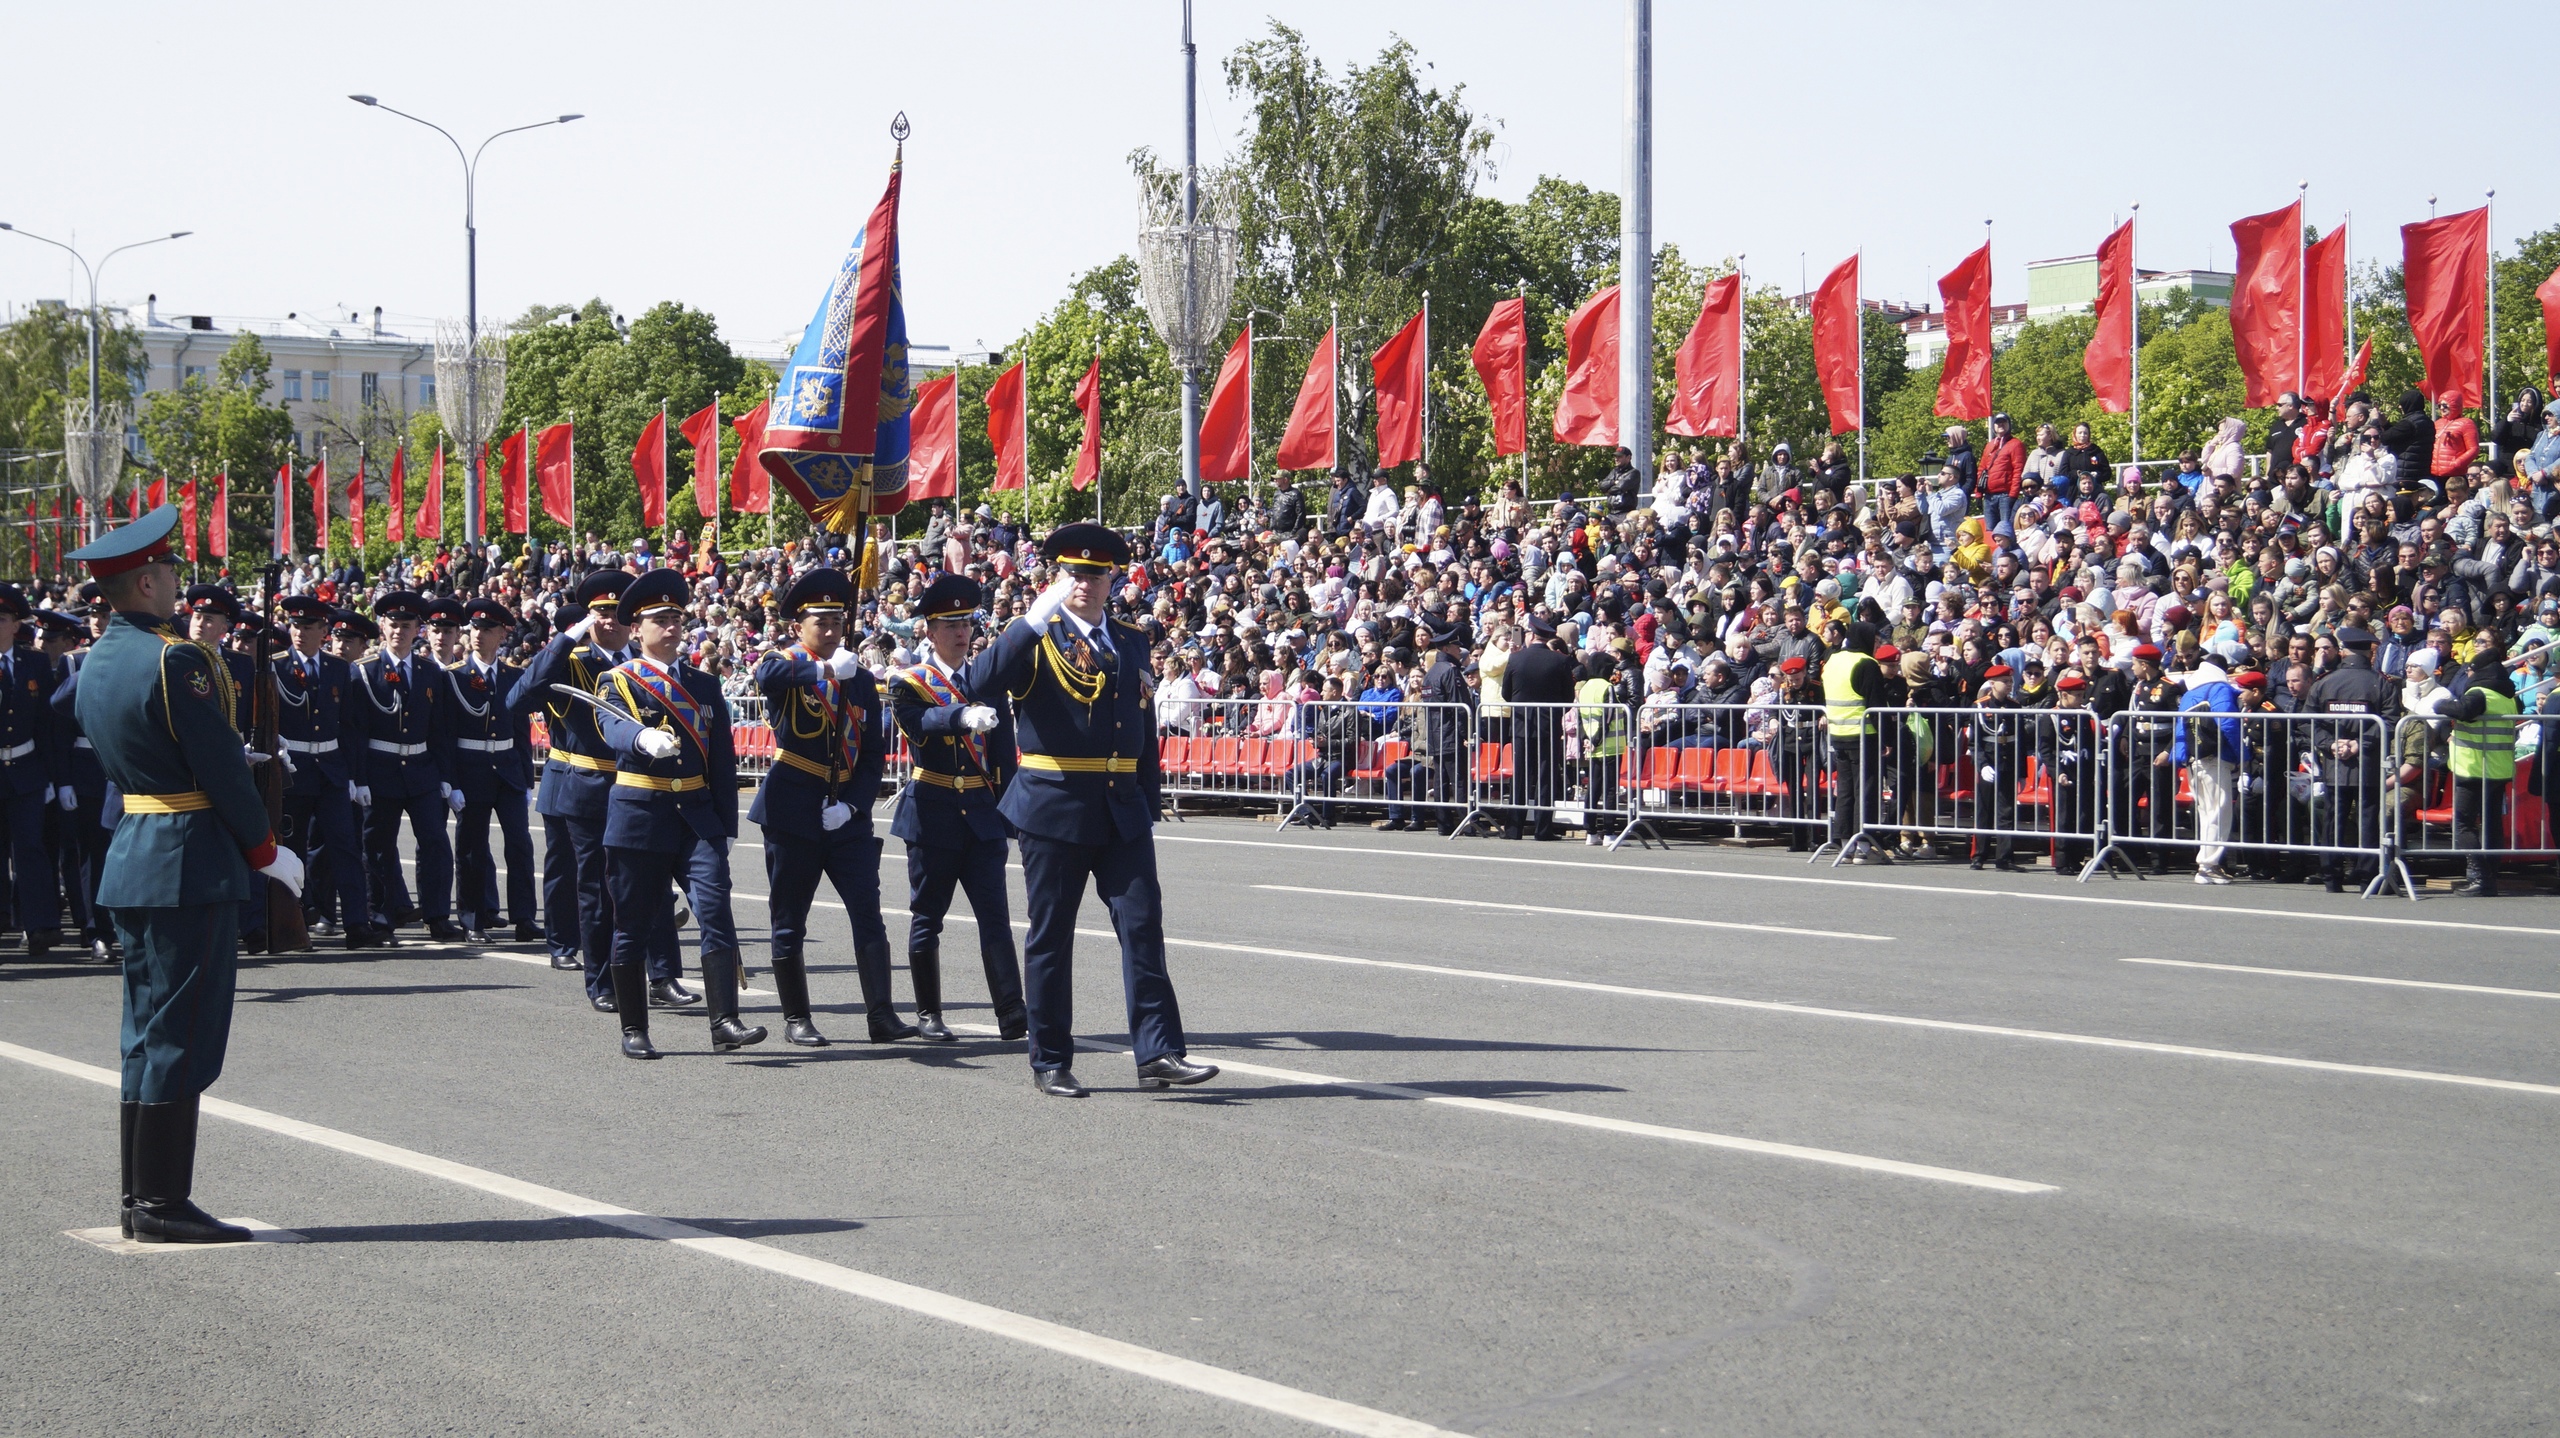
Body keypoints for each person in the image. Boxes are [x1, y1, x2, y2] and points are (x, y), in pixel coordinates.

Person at [67, 505, 305, 1243]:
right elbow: (222, 772)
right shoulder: (177, 660)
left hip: (136, 852)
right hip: (187, 861)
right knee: (183, 1035)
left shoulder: (101, 657)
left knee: (144, 1033)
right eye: (169, 573)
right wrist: (267, 851)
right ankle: (164, 1205)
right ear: (145, 580)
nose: (177, 584)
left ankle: (141, 1198)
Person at [960, 522, 1216, 1098]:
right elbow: (978, 682)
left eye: (1095, 574)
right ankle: (1050, 1058)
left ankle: (1158, 1053)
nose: (1085, 583)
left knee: (1143, 927)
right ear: (1057, 578)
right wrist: (1027, 621)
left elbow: (1141, 726)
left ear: (1111, 580)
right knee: (1052, 936)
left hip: (1121, 808)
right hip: (1054, 806)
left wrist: (1148, 799)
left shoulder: (1129, 639)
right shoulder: (1034, 637)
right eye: (1073, 573)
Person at [513, 571, 694, 1007]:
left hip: (646, 787)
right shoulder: (571, 662)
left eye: (617, 612)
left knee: (654, 886)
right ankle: (603, 981)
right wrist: (562, 640)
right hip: (590, 787)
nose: (609, 621)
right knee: (598, 889)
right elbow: (519, 699)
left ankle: (664, 975)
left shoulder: (645, 662)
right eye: (600, 612)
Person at [750, 566, 914, 1047]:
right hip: (793, 810)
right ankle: (797, 1016)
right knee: (790, 919)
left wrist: (856, 805)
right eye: (819, 622)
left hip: (845, 814)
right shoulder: (788, 664)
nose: (830, 630)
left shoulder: (859, 681)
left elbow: (870, 755)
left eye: (837, 622)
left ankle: (881, 1014)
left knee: (868, 914)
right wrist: (822, 669)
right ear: (798, 625)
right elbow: (768, 675)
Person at [595, 569, 749, 1059]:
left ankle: (725, 1021)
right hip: (641, 814)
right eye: (659, 619)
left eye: (676, 618)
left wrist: (726, 825)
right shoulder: (617, 679)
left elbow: (722, 758)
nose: (671, 627)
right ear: (636, 629)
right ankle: (634, 1028)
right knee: (634, 923)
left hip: (697, 816)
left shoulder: (704, 684)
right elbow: (611, 727)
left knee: (716, 911)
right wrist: (641, 738)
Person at [887, 571, 1028, 1042]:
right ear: (929, 630)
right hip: (934, 809)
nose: (961, 632)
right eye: (950, 624)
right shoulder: (910, 681)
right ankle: (928, 1012)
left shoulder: (986, 679)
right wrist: (960, 717)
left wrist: (1010, 807)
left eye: (966, 622)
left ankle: (1012, 1012)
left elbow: (1004, 750)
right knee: (928, 916)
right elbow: (917, 723)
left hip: (983, 810)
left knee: (996, 919)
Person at [271, 594, 383, 949]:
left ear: (323, 630)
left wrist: (356, 777)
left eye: (309, 627)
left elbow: (351, 728)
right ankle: (292, 920)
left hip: (332, 771)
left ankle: (356, 923)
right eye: (295, 626)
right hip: (292, 770)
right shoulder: (275, 667)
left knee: (344, 847)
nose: (300, 632)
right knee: (292, 851)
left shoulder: (339, 669)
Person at [352, 592, 464, 941]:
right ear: (382, 627)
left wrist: (447, 777)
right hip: (380, 768)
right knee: (379, 845)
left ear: (419, 629)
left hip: (422, 768)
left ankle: (437, 915)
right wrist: (358, 778)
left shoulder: (430, 672)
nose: (399, 631)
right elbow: (355, 731)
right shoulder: (365, 672)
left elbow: (441, 729)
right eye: (393, 624)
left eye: (407, 625)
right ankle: (381, 914)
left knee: (435, 843)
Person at [448, 599, 537, 942]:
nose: (478, 635)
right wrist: (452, 781)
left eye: (487, 630)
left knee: (520, 845)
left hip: (509, 771)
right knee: (471, 847)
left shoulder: (514, 676)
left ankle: (525, 917)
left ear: (502, 634)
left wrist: (527, 779)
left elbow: (520, 732)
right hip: (471, 772)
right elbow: (447, 733)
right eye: (474, 628)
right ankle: (473, 919)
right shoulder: (454, 677)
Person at [2304, 626, 2399, 893]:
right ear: (2369, 652)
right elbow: (2390, 722)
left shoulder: (2325, 681)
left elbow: (2307, 722)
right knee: (2367, 819)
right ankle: (2367, 877)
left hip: (2335, 763)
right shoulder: (2381, 683)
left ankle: (2331, 877)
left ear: (2343, 650)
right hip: (2367, 763)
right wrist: (2360, 744)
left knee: (2333, 818)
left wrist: (2331, 744)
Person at [2441, 637, 2518, 896]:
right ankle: (2490, 878)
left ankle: (2480, 878)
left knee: (2462, 823)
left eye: (2470, 670)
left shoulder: (2479, 693)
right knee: (2492, 823)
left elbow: (2463, 710)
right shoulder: (2508, 696)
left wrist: (2441, 704)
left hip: (2473, 768)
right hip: (2498, 769)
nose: (2468, 674)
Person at [2173, 662, 2252, 885]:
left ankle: (2206, 865)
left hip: (2193, 759)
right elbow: (2227, 723)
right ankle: (2209, 865)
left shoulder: (2190, 692)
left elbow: (2180, 729)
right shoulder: (2219, 688)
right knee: (2219, 812)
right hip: (2214, 758)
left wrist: (2179, 757)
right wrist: (2241, 755)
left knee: (2206, 813)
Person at [1500, 614, 1576, 840]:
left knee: (1521, 776)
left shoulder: (1516, 659)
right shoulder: (1560, 661)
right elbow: (1568, 697)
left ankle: (1514, 828)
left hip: (1522, 724)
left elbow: (1506, 693)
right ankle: (1544, 829)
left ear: (1531, 635)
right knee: (1545, 777)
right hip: (1548, 725)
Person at [1821, 621, 1889, 862]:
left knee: (1846, 791)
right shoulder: (1867, 663)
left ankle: (1844, 843)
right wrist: (1887, 737)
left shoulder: (1833, 660)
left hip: (1838, 735)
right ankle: (1862, 844)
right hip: (1864, 734)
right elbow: (1877, 705)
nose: (1877, 644)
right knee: (1866, 791)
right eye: (1875, 640)